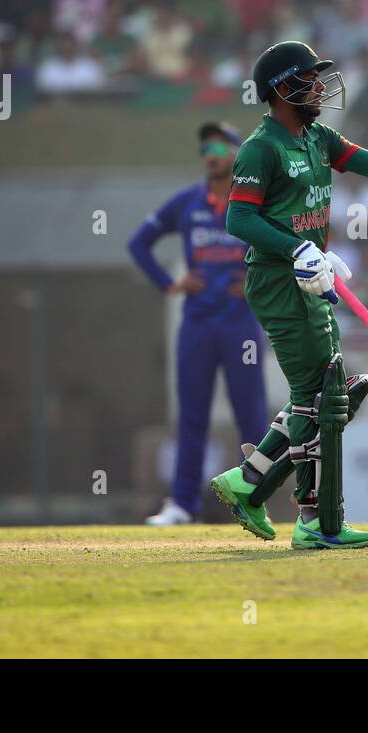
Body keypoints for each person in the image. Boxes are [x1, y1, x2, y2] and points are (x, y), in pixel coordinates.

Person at [208, 41, 368, 549]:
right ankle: (313, 521)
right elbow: (239, 217)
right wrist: (298, 249)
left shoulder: (317, 136)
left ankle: (249, 479)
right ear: (280, 91)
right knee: (320, 397)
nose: (320, 88)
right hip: (278, 282)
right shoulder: (262, 147)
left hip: (309, 276)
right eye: (309, 79)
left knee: (320, 393)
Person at [128, 123, 269, 525]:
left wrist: (258, 282)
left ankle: (256, 500)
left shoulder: (254, 204)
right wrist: (169, 284)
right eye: (206, 145)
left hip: (240, 326)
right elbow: (139, 244)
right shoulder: (188, 203)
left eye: (220, 146)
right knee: (192, 416)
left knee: (252, 418)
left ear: (237, 155)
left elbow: (289, 240)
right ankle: (183, 504)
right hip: (197, 325)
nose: (211, 152)